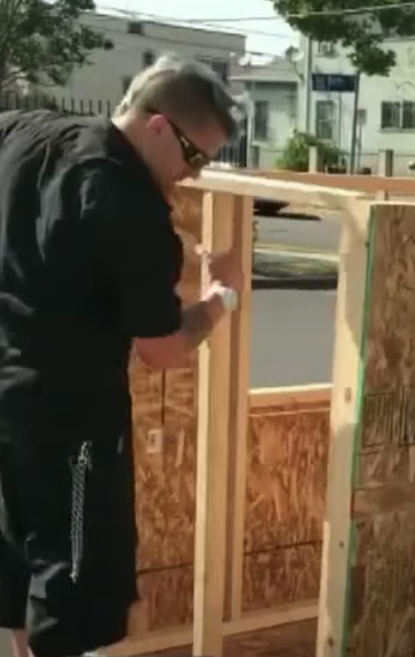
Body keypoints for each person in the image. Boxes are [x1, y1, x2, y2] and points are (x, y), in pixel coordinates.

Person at [0, 54, 245, 657]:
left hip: (7, 396)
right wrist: (221, 297)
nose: (192, 176)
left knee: (18, 561)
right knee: (73, 579)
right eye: (194, 157)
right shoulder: (128, 204)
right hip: (71, 427)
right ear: (158, 125)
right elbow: (161, 349)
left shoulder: (24, 131)